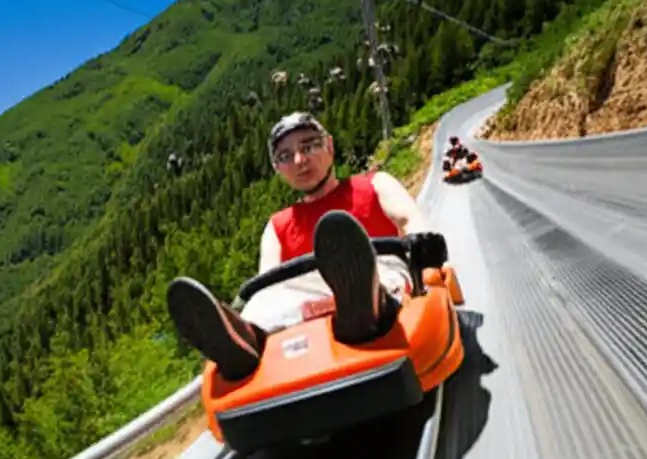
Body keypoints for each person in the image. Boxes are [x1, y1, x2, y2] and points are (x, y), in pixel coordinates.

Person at [166, 111, 443, 381]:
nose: (300, 160)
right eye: (285, 156)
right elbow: (268, 286)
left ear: (329, 146)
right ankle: (244, 339)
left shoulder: (374, 184)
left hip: (376, 264)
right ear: (278, 168)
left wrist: (425, 253)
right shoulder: (277, 226)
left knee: (378, 273)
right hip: (304, 298)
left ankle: (368, 305)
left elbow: (410, 220)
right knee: (266, 303)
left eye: (309, 146)